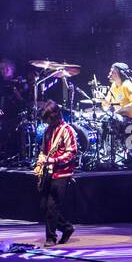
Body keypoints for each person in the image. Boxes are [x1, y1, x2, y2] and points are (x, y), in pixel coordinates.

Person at [34, 102, 78, 248]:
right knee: (43, 206)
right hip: (48, 172)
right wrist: (41, 161)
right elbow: (44, 150)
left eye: (47, 118)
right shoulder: (48, 131)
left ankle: (51, 238)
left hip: (62, 174)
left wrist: (54, 160)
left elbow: (71, 153)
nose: (46, 122)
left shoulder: (67, 130)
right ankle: (66, 228)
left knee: (52, 207)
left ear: (54, 116)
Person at [0, 58, 29, 163]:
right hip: (3, 117)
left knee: (20, 143)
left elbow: (25, 102)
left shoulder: (20, 82)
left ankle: (21, 163)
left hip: (17, 118)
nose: (4, 71)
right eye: (1, 69)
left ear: (12, 69)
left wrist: (16, 92)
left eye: (6, 68)